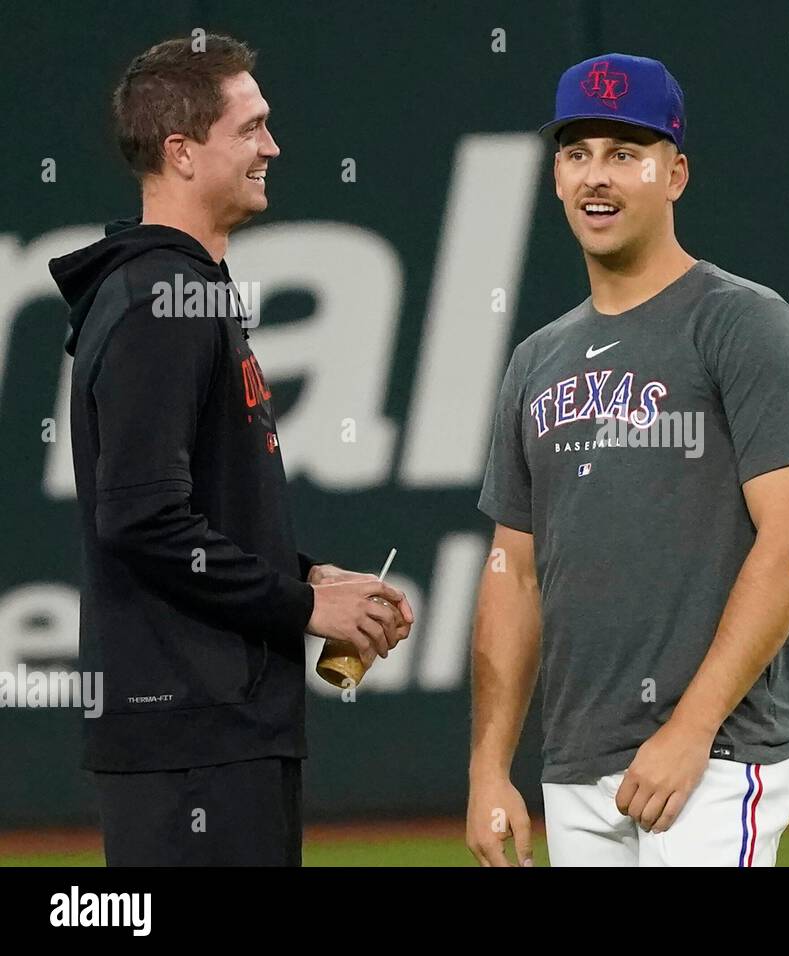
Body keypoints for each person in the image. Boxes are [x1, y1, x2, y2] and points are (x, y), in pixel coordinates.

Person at [466, 53, 789, 867]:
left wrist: (693, 727)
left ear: (675, 174)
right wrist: (490, 769)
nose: (596, 178)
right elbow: (513, 571)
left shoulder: (745, 324)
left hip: (712, 758)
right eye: (577, 153)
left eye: (625, 153)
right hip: (577, 763)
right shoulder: (537, 360)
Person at [48, 34, 413, 866]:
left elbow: (193, 510)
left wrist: (309, 574)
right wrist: (302, 608)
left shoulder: (183, 291)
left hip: (211, 729)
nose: (272, 147)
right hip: (191, 737)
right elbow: (141, 517)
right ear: (180, 152)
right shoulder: (156, 300)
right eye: (250, 128)